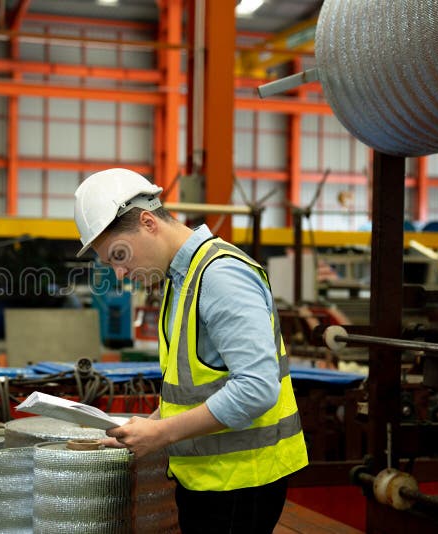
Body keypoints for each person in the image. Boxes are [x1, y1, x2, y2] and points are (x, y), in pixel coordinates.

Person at [73, 168, 308, 534]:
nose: (119, 273)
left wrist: (163, 434)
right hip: (211, 482)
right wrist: (146, 427)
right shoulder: (180, 280)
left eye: (119, 255)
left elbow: (257, 388)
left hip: (240, 485)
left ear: (148, 222)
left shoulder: (219, 276)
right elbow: (198, 387)